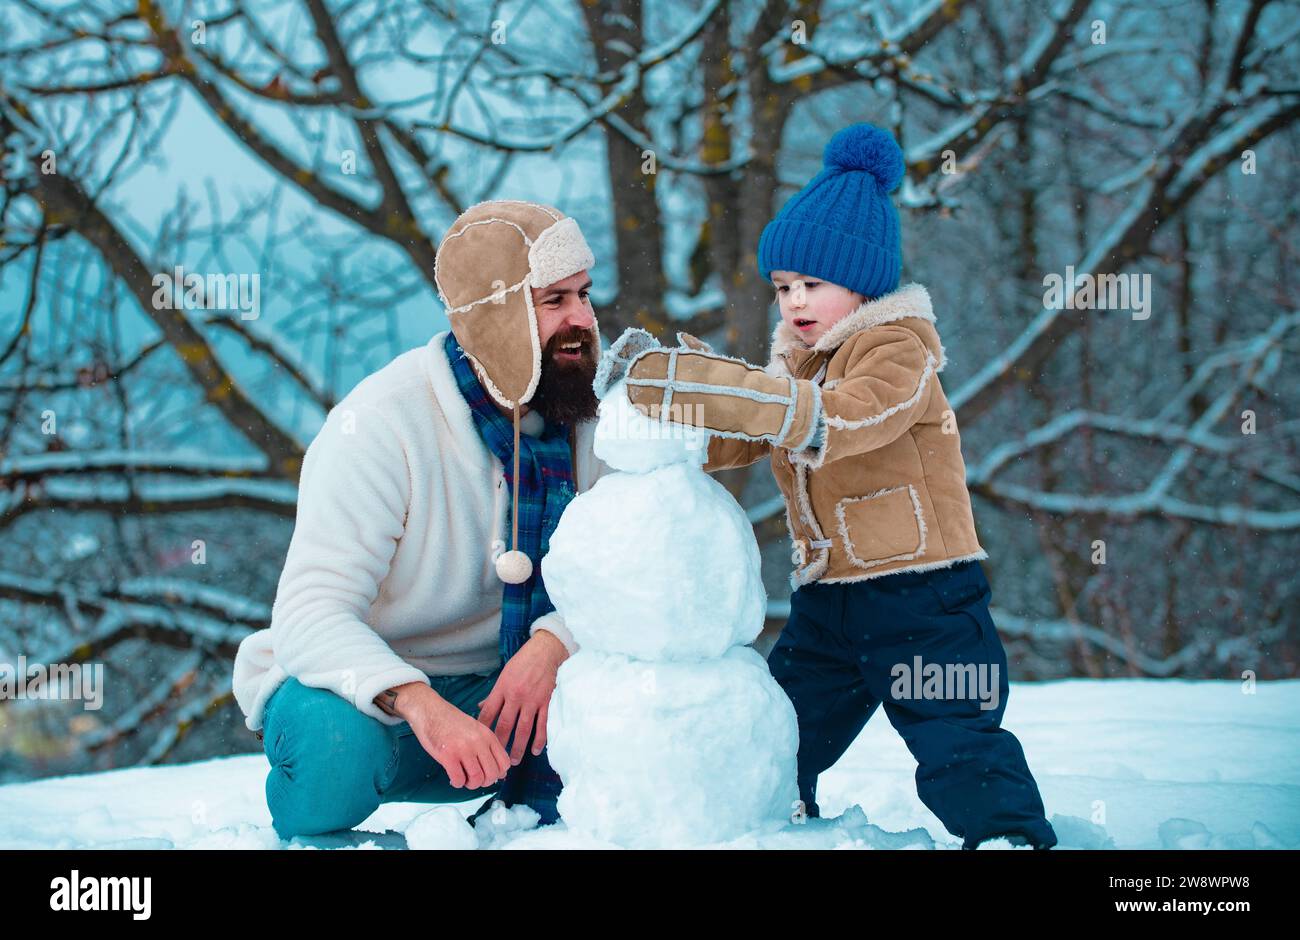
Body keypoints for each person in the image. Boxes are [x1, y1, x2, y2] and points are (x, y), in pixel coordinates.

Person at [621, 124, 1057, 850]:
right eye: (783, 287)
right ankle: (766, 830)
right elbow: (745, 433)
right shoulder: (796, 367)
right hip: (827, 604)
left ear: (864, 282)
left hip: (922, 596)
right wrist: (674, 402)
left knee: (957, 739)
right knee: (778, 732)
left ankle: (1009, 837)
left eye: (812, 284)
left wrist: (741, 391)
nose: (794, 301)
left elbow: (849, 419)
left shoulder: (899, 350)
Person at [231, 199, 611, 839]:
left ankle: (550, 822)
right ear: (495, 316)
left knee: (640, 707)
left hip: (510, 692)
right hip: (369, 695)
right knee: (334, 749)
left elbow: (629, 571)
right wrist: (419, 703)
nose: (582, 320)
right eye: (554, 301)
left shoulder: (589, 409)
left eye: (584, 294)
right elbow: (310, 613)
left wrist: (553, 643)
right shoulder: (380, 423)